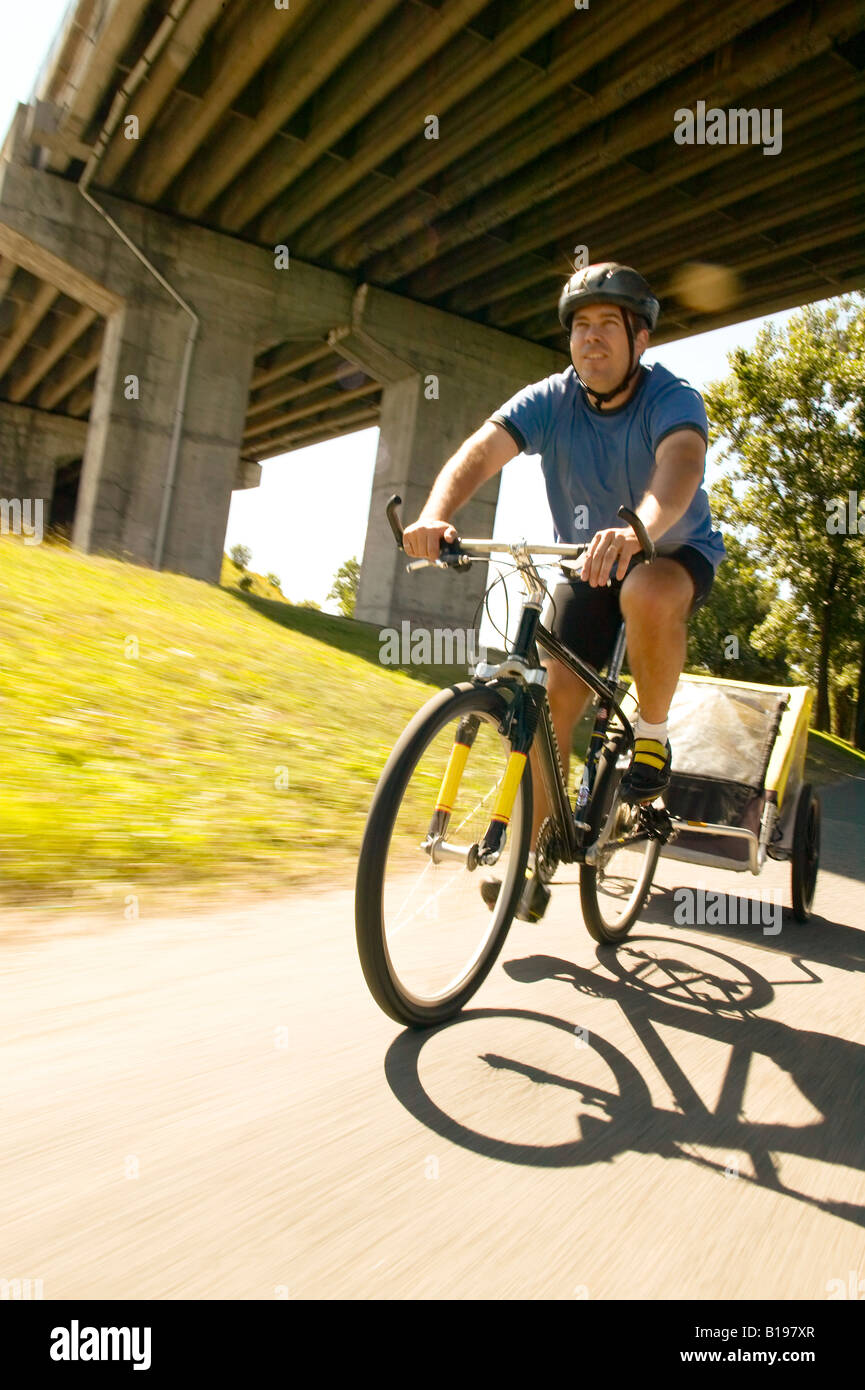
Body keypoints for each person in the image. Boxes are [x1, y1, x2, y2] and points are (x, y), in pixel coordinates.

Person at [402, 262, 726, 921]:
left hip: (669, 547)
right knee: (551, 706)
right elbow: (480, 450)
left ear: (641, 341)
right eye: (580, 326)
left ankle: (652, 736)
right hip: (586, 561)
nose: (592, 339)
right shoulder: (550, 398)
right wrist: (437, 514)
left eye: (609, 324)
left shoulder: (671, 396)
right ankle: (532, 851)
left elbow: (680, 467)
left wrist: (638, 530)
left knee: (648, 594)